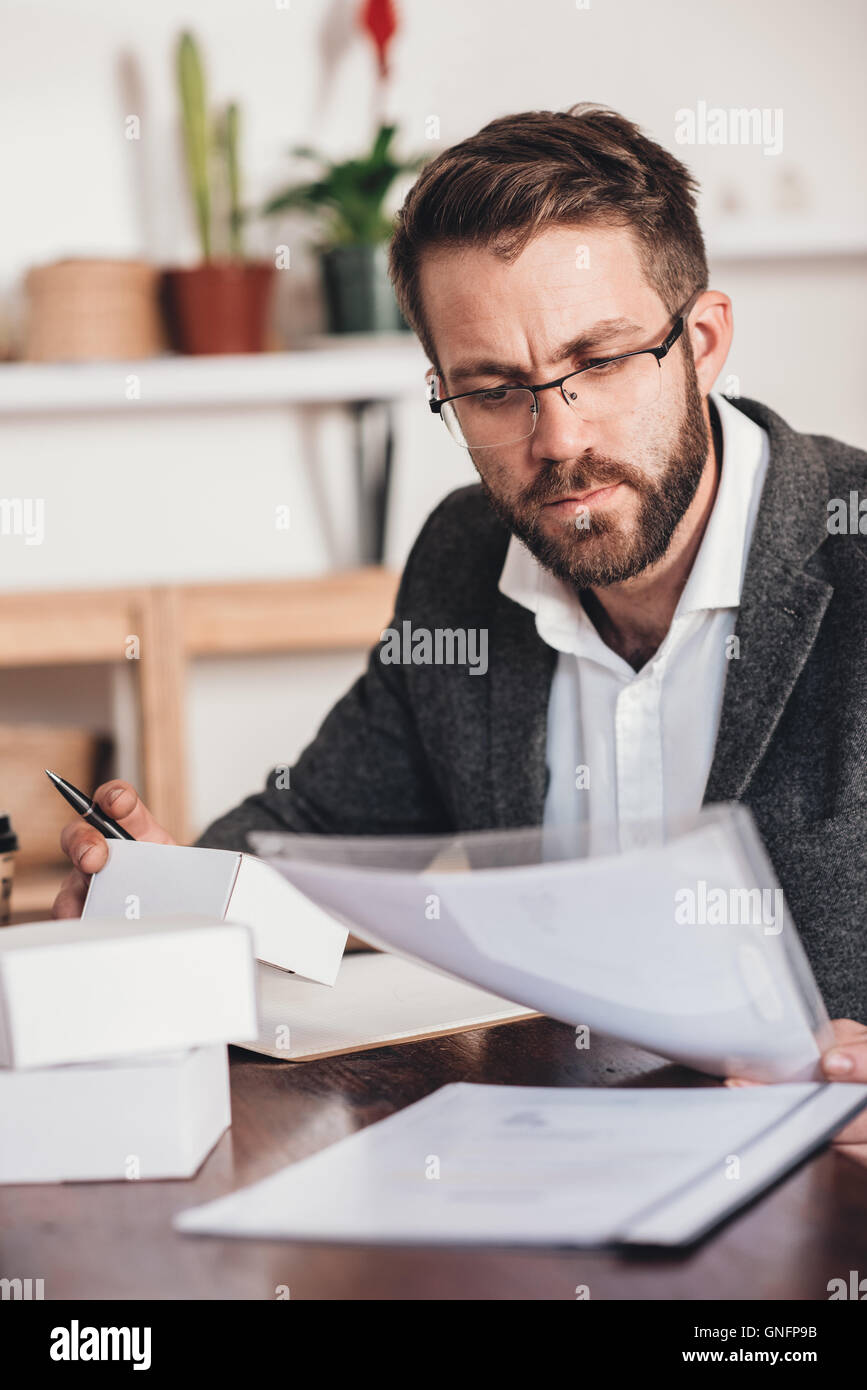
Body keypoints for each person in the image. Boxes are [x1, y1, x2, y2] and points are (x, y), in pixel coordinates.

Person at [53, 104, 866, 1144]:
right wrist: (165, 896)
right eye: (492, 389)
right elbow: (309, 833)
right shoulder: (463, 558)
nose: (559, 439)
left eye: (603, 361)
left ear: (701, 343)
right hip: (548, 1175)